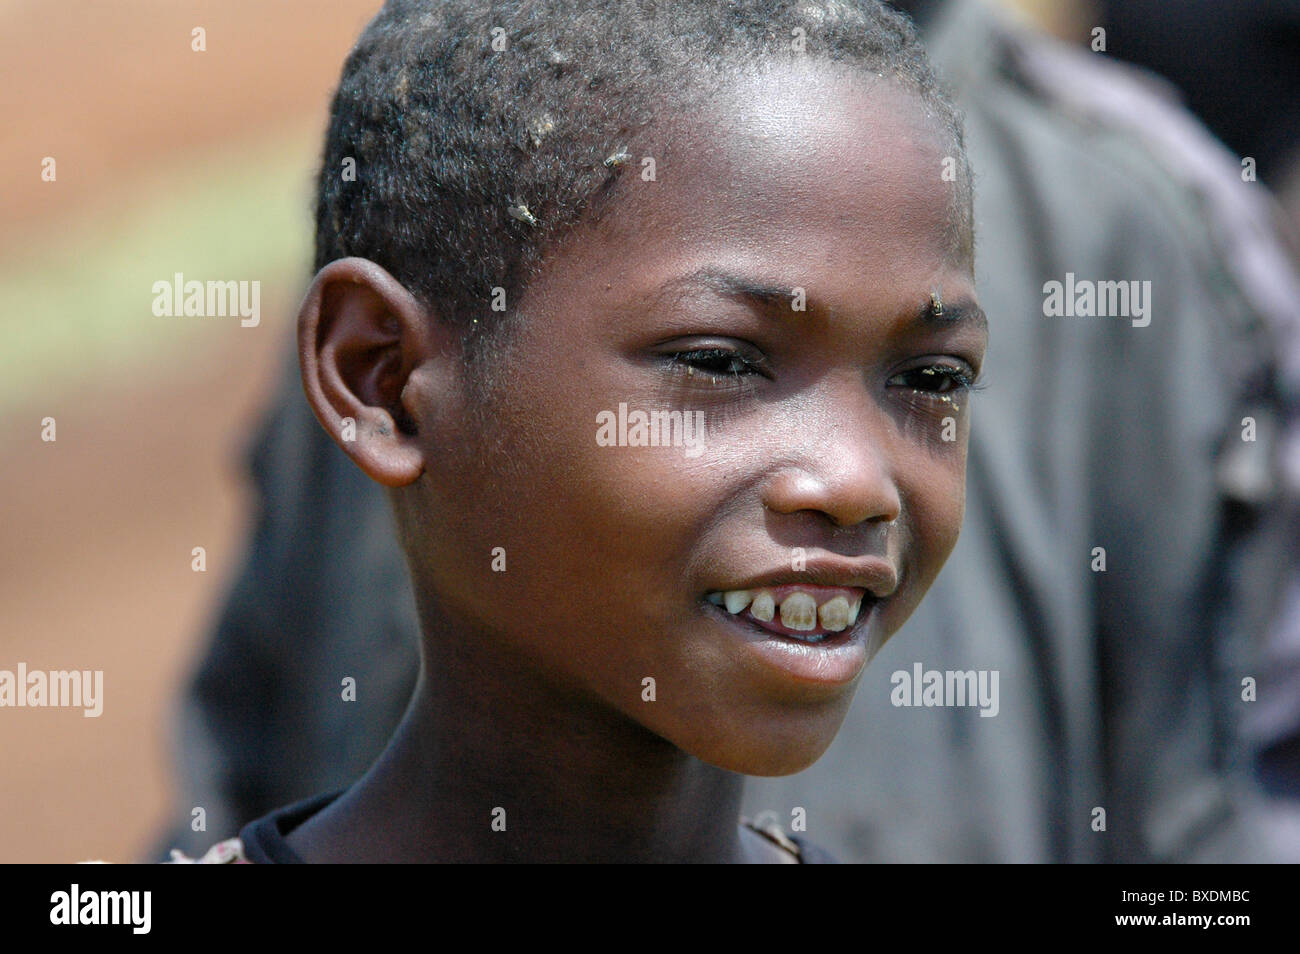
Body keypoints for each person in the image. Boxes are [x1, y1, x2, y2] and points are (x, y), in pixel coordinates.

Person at [160, 0, 1299, 864]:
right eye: (719, 362)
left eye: (932, 377)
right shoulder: (487, 182)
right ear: (384, 380)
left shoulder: (1130, 215)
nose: (858, 481)